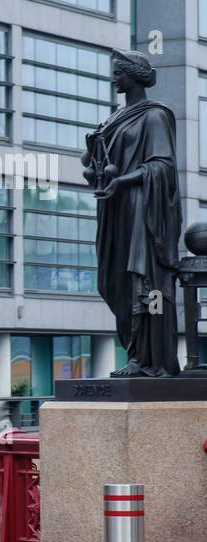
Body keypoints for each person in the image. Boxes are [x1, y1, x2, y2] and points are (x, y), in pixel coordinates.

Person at [82, 48, 182, 376]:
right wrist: (93, 148)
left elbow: (162, 166)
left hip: (143, 211)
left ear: (134, 76)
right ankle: (134, 354)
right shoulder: (113, 119)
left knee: (144, 280)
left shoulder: (155, 115)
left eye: (118, 72)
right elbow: (95, 164)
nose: (113, 78)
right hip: (116, 210)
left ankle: (148, 360)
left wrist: (123, 181)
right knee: (115, 282)